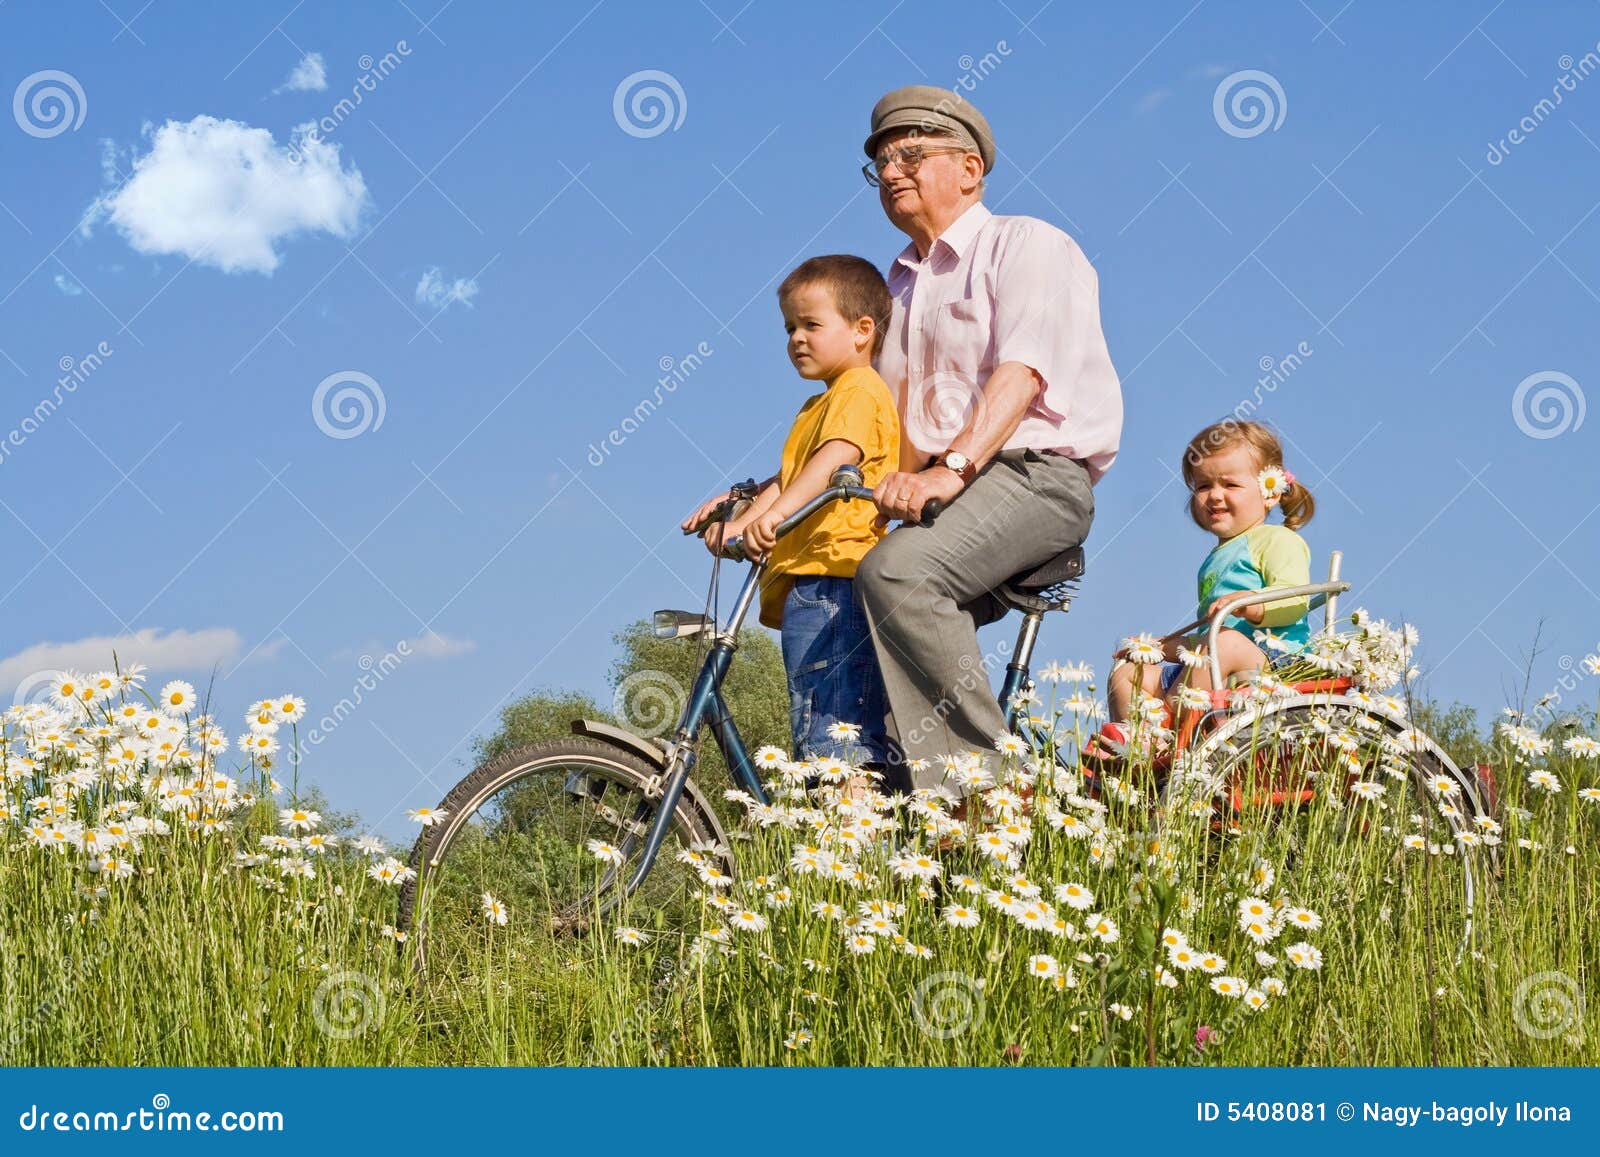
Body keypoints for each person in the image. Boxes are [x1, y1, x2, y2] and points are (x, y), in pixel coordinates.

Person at [850, 85, 1123, 790]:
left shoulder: (1026, 243)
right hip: (952, 486)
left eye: (911, 153)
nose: (890, 171)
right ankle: (893, 808)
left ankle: (990, 796)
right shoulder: (898, 285)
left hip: (1035, 475)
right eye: (879, 161)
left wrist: (953, 466)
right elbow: (884, 416)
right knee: (847, 602)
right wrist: (773, 497)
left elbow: (1023, 372)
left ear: (970, 169)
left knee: (899, 573)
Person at [680, 255, 900, 775]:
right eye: (789, 328)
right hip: (808, 584)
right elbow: (790, 475)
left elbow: (833, 459)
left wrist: (772, 516)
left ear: (862, 331)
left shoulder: (861, 391)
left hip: (835, 581)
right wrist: (740, 519)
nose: (796, 338)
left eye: (811, 325)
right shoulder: (815, 407)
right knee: (813, 728)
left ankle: (851, 836)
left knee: (832, 734)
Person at [1090, 419, 1317, 758]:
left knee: (1226, 643)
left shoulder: (1277, 540)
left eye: (1230, 484)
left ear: (1269, 491)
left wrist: (1251, 603)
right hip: (1211, 667)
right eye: (1203, 486)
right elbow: (1208, 639)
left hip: (1270, 666)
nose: (1215, 496)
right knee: (1130, 669)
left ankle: (1167, 736)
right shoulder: (1215, 560)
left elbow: (1296, 598)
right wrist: (1162, 648)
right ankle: (1135, 740)